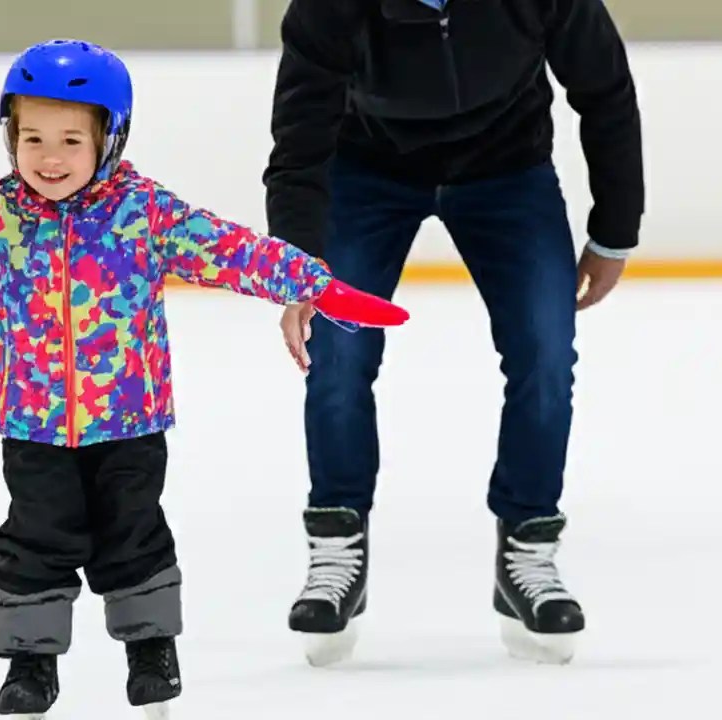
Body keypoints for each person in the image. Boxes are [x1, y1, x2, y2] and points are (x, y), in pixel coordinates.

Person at [0, 39, 409, 717]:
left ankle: (151, 650)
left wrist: (321, 288)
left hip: (131, 421)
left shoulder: (144, 213)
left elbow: (235, 252)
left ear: (109, 140)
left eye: (69, 139)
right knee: (36, 541)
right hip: (34, 426)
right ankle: (31, 663)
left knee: (135, 536)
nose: (49, 158)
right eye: (31, 137)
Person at [263, 0, 644, 666]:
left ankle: (528, 541)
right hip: (368, 168)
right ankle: (336, 538)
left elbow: (604, 89)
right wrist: (298, 262)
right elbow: (299, 134)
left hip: (506, 168)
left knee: (545, 351)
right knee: (340, 351)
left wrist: (615, 229)